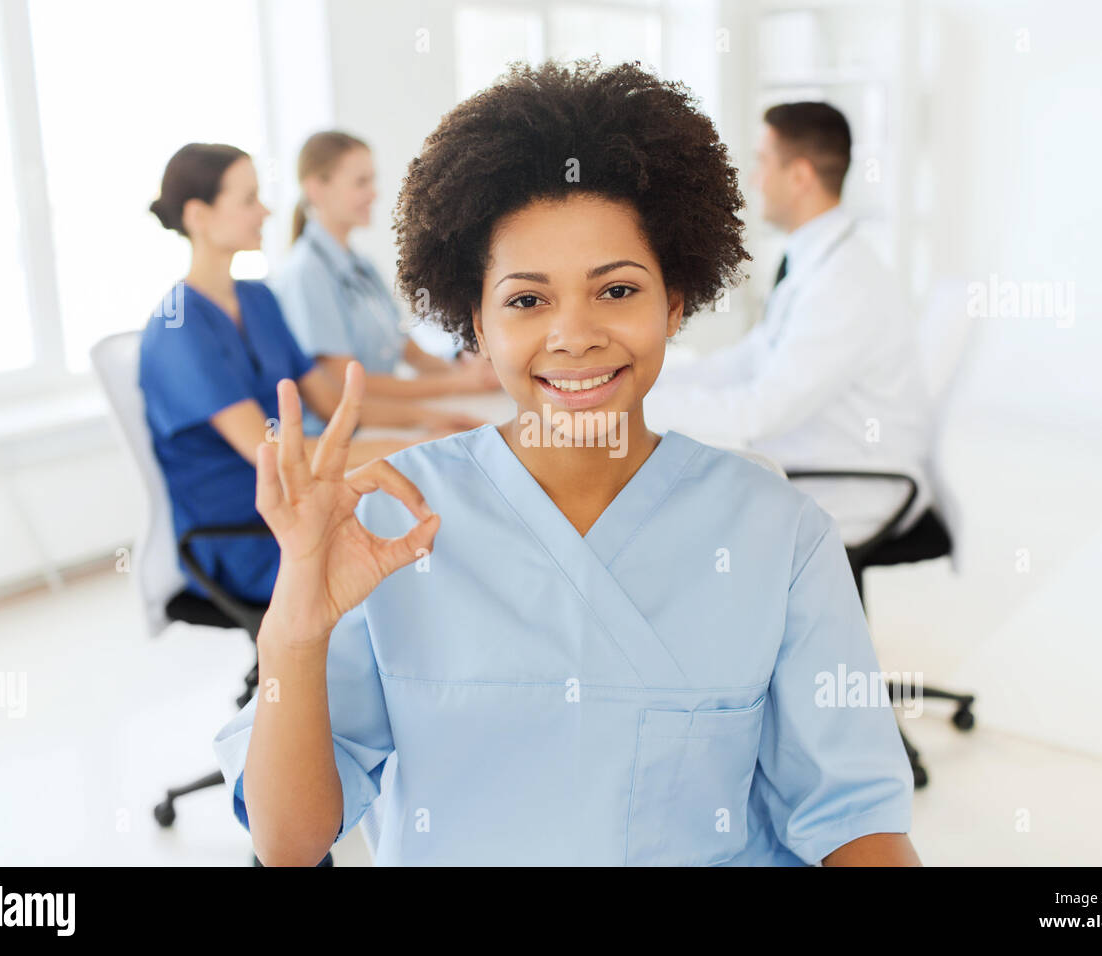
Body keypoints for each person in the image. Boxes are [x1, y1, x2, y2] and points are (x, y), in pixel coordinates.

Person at [213, 60, 919, 866]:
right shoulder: (390, 520)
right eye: (526, 300)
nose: (574, 334)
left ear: (675, 301)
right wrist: (295, 634)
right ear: (472, 324)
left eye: (617, 291)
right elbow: (290, 842)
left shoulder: (777, 534)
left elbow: (856, 819)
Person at [644, 102, 932, 548]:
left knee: (669, 497)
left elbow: (759, 413)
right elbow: (748, 360)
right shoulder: (816, 259)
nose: (755, 180)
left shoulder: (844, 283)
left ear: (799, 176)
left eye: (763, 162)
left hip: (855, 484)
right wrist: (647, 380)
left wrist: (634, 410)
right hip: (818, 453)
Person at [140, 143, 412, 606]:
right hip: (246, 536)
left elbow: (333, 404)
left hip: (300, 505)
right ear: (198, 215)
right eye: (248, 200)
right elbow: (272, 454)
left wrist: (439, 424)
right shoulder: (177, 327)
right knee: (411, 563)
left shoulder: (259, 301)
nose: (265, 211)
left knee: (425, 530)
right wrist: (414, 447)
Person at [271, 129, 499, 435]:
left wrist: (470, 374)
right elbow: (346, 383)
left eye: (372, 180)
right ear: (316, 188)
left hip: (381, 421)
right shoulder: (305, 273)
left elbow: (407, 349)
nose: (375, 193)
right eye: (361, 182)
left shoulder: (362, 267)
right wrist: (458, 383)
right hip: (343, 436)